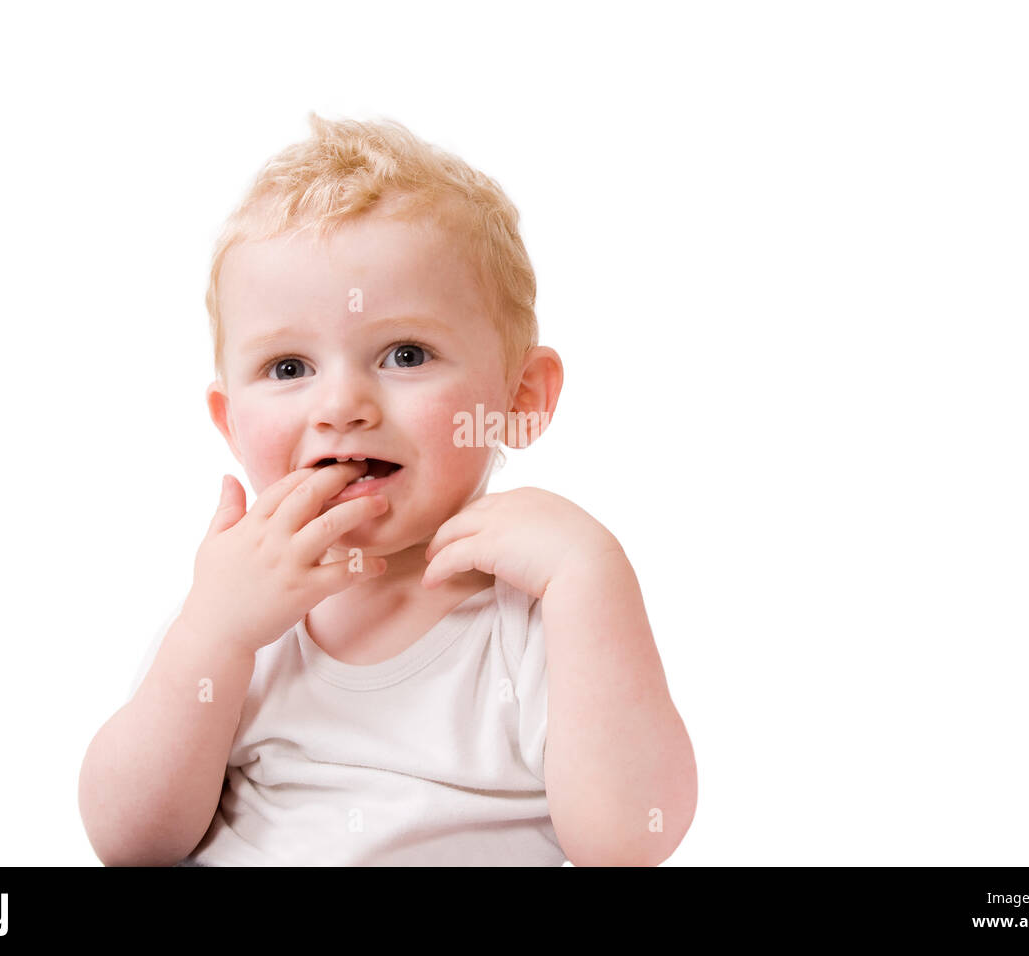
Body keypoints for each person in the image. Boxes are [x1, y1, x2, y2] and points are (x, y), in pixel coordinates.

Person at [77, 114, 696, 866]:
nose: (342, 405)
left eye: (406, 354)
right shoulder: (235, 620)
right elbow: (130, 842)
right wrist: (215, 634)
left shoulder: (534, 624)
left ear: (520, 397)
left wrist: (592, 580)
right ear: (231, 421)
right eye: (288, 368)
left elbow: (635, 839)